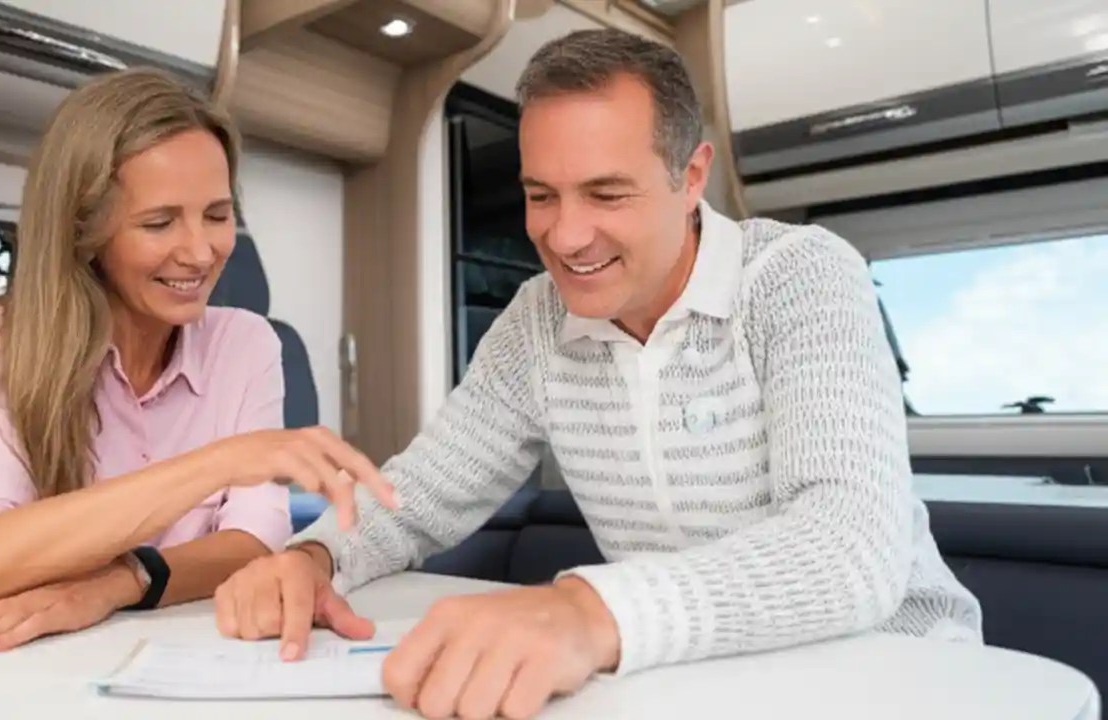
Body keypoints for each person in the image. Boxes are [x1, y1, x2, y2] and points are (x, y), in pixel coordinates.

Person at [215, 28, 984, 719]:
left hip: (901, 676)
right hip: (699, 679)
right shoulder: (536, 321)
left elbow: (849, 548)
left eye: (606, 194)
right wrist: (317, 558)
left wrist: (587, 612)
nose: (565, 236)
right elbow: (418, 496)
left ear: (691, 176)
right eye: (540, 196)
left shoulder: (800, 276)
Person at [0, 68, 394, 655]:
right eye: (159, 222)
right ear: (85, 231)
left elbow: (254, 541)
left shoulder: (247, 344)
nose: (201, 251)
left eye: (217, 215)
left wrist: (114, 585)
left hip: (92, 653)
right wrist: (218, 463)